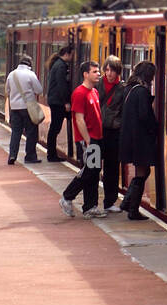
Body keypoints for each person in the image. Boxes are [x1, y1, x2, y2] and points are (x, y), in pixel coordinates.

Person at [58, 60, 104, 217]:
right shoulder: (79, 93)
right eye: (95, 72)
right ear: (86, 74)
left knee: (94, 172)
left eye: (98, 71)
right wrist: (87, 140)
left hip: (96, 138)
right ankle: (67, 196)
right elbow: (79, 119)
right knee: (89, 170)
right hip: (88, 139)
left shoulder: (95, 92)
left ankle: (90, 206)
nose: (98, 74)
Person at [118, 60, 159, 221]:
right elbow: (144, 115)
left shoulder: (129, 88)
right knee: (143, 171)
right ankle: (132, 209)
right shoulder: (142, 91)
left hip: (129, 137)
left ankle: (127, 203)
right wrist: (154, 127)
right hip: (140, 139)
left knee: (142, 171)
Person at [97, 55, 127, 210]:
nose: (109, 73)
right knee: (92, 166)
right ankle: (91, 202)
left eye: (112, 70)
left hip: (113, 132)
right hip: (97, 131)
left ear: (118, 72)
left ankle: (109, 201)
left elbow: (124, 110)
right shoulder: (97, 85)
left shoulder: (122, 88)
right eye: (107, 70)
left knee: (112, 168)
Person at [5, 55, 43, 164]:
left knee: (16, 132)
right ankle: (30, 156)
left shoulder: (11, 75)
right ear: (29, 64)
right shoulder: (30, 74)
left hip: (15, 108)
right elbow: (39, 90)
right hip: (28, 108)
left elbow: (7, 90)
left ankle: (12, 155)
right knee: (31, 132)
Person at [44, 44, 74, 162]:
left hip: (55, 100)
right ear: (66, 54)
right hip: (58, 102)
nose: (72, 58)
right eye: (71, 55)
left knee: (54, 128)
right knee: (55, 128)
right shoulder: (61, 66)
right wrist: (66, 102)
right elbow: (62, 85)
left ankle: (52, 154)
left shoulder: (57, 64)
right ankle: (51, 155)